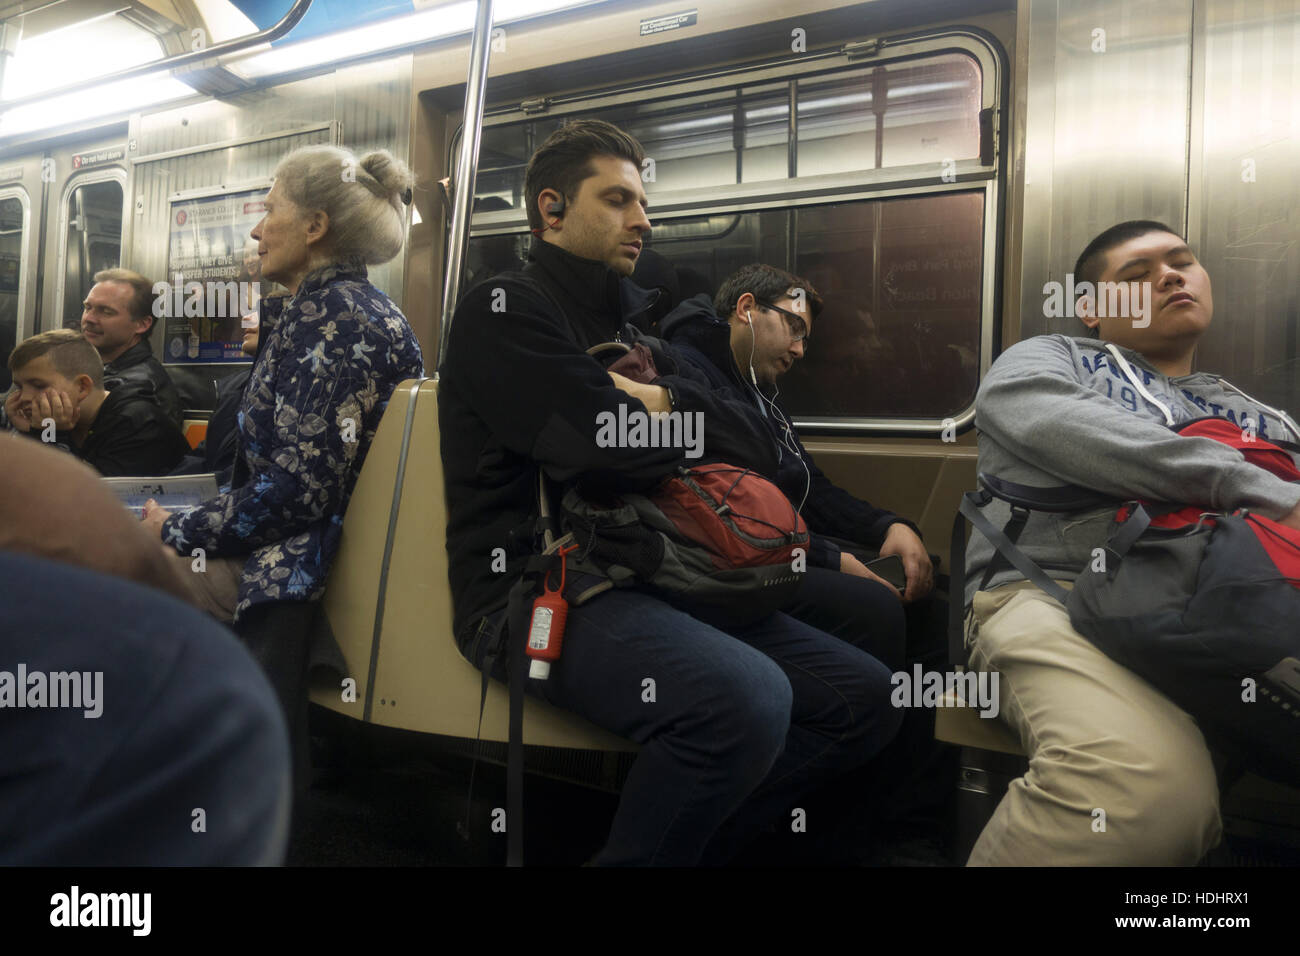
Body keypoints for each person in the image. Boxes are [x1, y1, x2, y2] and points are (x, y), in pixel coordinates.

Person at [439, 118, 903, 866]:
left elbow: (746, 440)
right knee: (746, 699)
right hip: (539, 583)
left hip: (650, 561)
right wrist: (666, 414)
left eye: (642, 202)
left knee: (867, 698)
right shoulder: (506, 311)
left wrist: (660, 403)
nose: (644, 221)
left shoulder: (632, 321)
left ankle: (694, 842)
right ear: (551, 210)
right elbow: (599, 446)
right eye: (618, 200)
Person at [962, 219, 1300, 865]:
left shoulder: (1258, 413)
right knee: (1137, 790)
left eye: (1181, 262)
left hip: (1229, 598)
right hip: (1053, 593)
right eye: (1136, 274)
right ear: (1090, 308)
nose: (1170, 275)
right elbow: (1071, 429)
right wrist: (1265, 492)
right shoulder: (1047, 360)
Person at [138, 145, 425, 814]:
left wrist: (176, 528)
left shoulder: (332, 323)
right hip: (316, 534)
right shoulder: (334, 310)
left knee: (117, 562)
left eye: (269, 210)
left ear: (315, 226)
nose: (256, 229)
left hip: (305, 554)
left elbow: (299, 491)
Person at [661, 264, 954, 862]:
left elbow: (810, 490)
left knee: (937, 605)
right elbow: (708, 501)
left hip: (780, 545)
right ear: (747, 308)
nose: (799, 348)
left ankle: (904, 819)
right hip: (720, 562)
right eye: (793, 327)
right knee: (876, 609)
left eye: (805, 337)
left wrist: (887, 527)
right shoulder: (686, 370)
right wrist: (830, 557)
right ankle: (836, 824)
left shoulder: (762, 394)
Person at [0, 435, 290, 865]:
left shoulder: (136, 412)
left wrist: (175, 527)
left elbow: (284, 498)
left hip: (270, 554)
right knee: (211, 698)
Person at [4, 329, 190, 476]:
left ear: (83, 387)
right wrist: (25, 433)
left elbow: (80, 499)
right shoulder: (60, 423)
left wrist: (49, 435)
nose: (25, 397)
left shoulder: (139, 424)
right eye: (19, 387)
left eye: (38, 385)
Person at [170, 298, 269, 486]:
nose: (247, 319)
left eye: (260, 315)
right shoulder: (233, 387)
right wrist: (168, 487)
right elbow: (207, 454)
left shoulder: (288, 389)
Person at [81, 267, 184, 426]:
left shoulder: (138, 390)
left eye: (106, 311)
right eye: (88, 307)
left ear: (142, 324)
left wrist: (53, 432)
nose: (89, 319)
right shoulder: (97, 370)